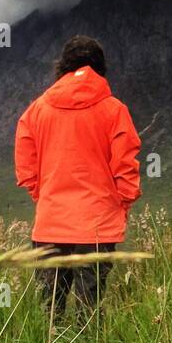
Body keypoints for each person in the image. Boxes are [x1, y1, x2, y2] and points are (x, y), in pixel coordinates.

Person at [14, 35, 141, 320]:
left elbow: (26, 167)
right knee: (89, 311)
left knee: (49, 313)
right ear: (100, 68)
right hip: (97, 227)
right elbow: (126, 168)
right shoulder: (114, 110)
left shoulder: (35, 111)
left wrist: (45, 198)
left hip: (50, 223)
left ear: (62, 67)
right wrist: (121, 207)